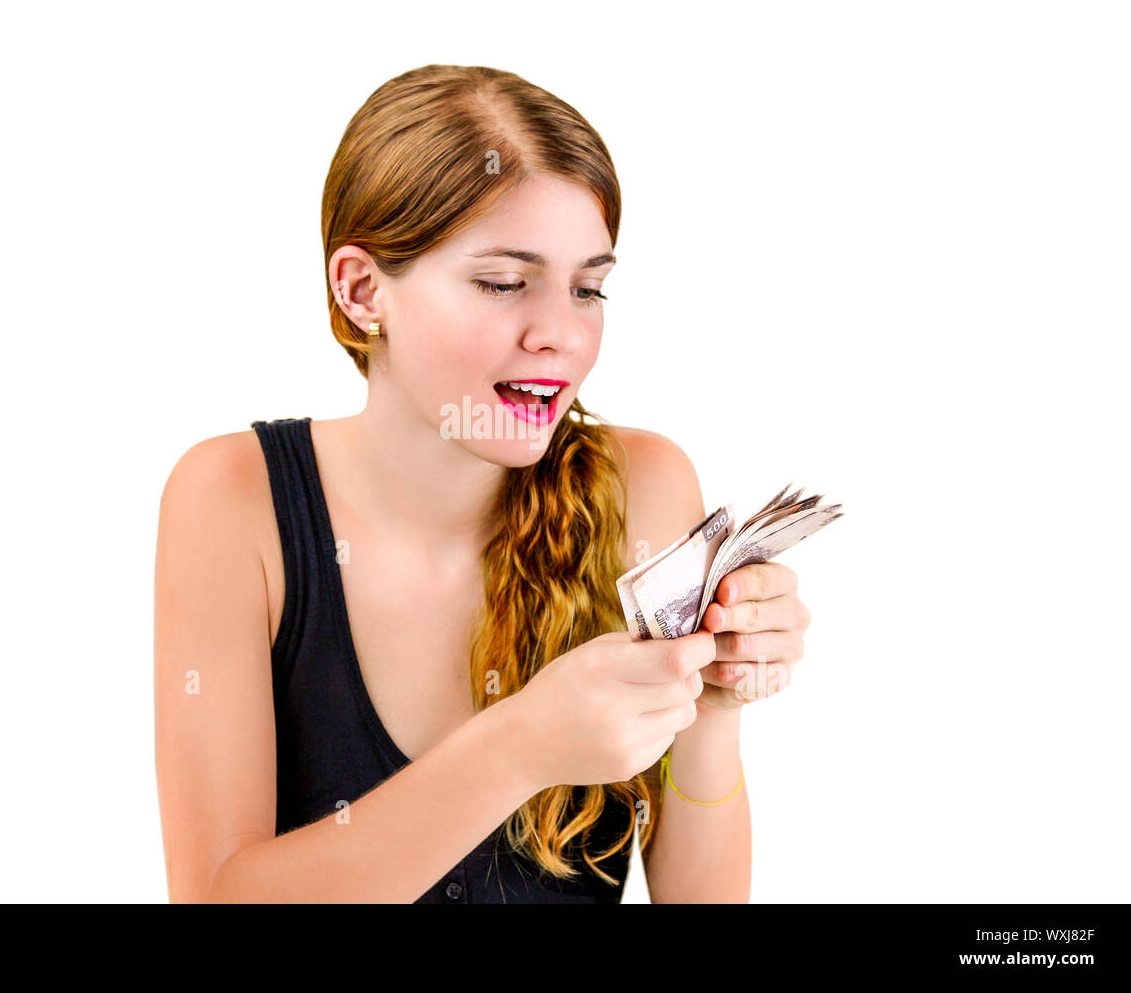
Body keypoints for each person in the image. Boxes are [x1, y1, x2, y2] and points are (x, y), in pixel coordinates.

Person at [154, 64, 810, 903]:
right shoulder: (233, 499)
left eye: (588, 288)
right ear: (361, 291)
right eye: (503, 283)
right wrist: (522, 744)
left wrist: (713, 714)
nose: (562, 336)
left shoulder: (644, 488)